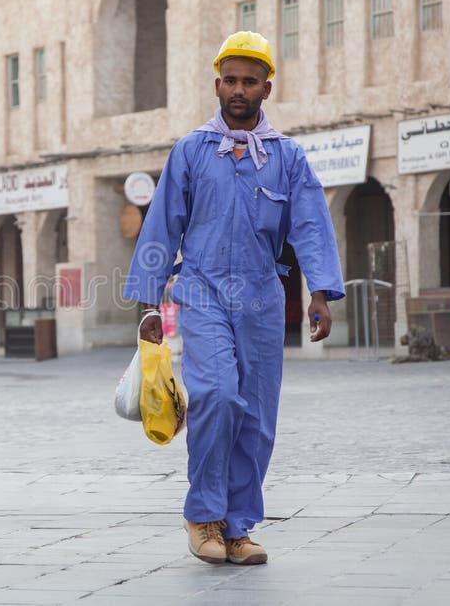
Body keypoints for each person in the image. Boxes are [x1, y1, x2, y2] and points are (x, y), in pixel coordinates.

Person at [123, 31, 344, 565]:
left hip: (262, 296)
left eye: (249, 81)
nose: (238, 89)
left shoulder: (287, 157)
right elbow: (162, 226)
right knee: (218, 395)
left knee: (258, 416)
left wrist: (319, 292)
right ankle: (203, 516)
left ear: (267, 88)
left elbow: (310, 225)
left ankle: (238, 527)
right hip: (201, 290)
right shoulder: (191, 151)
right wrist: (150, 305)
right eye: (230, 80)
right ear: (217, 85)